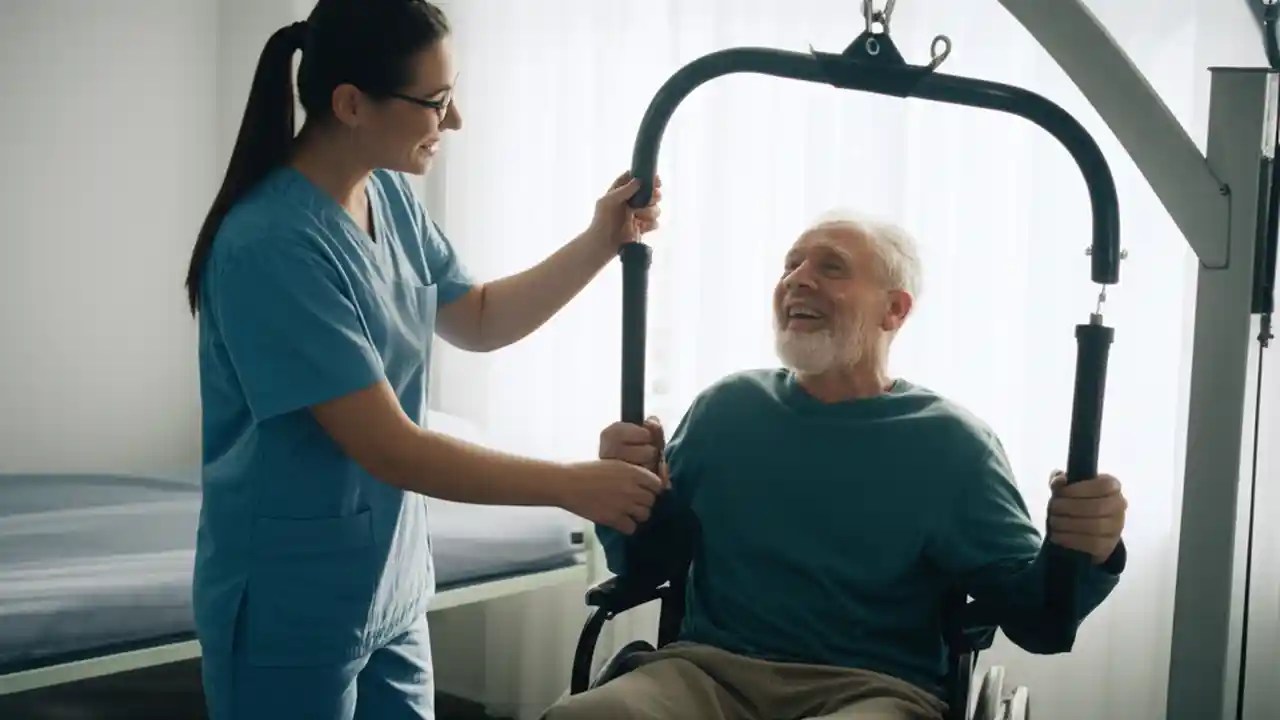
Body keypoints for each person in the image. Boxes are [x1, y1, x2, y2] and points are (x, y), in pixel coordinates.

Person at [183, 2, 666, 718]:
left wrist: (602, 239)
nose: (457, 121)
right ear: (350, 104)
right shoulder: (270, 246)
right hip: (291, 600)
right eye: (437, 103)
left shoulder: (388, 196)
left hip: (391, 587)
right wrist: (572, 485)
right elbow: (392, 448)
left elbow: (478, 318)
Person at [544, 212, 1129, 720]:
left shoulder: (953, 445)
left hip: (870, 691)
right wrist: (637, 494)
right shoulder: (727, 409)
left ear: (894, 311)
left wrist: (1087, 549)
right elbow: (650, 563)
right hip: (705, 674)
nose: (798, 278)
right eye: (790, 264)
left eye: (832, 267)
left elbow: (1039, 621)